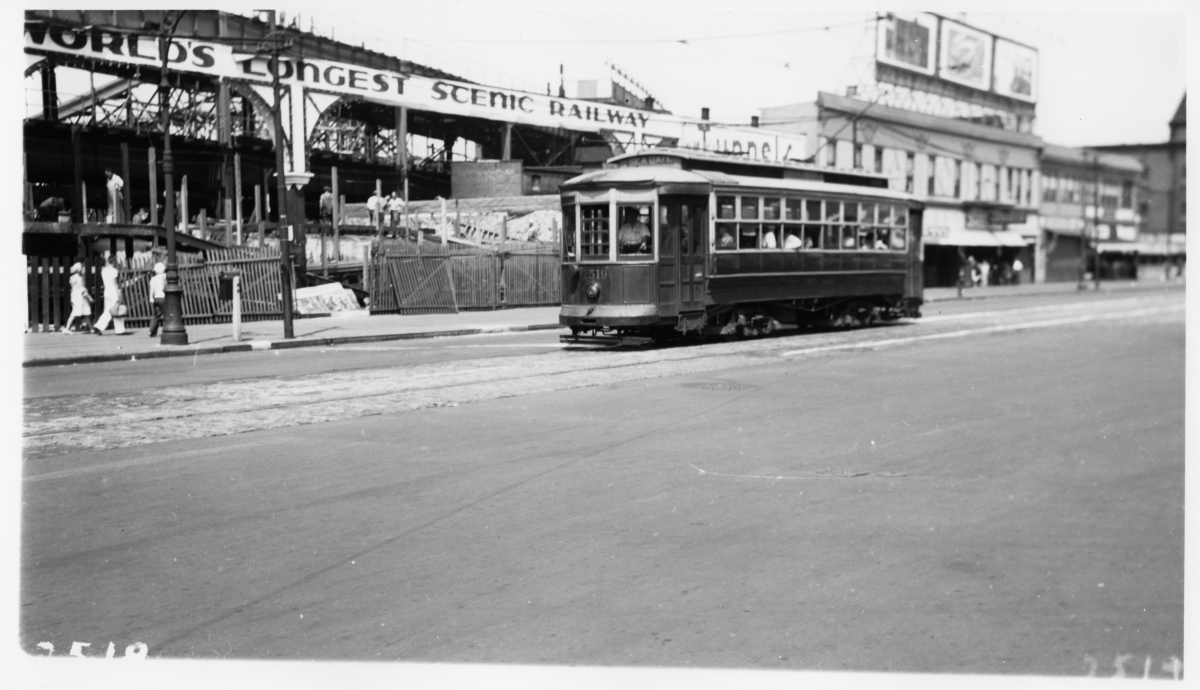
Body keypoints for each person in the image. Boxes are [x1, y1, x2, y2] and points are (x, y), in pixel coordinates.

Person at [91, 255, 128, 335]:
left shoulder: (104, 270)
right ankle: (119, 330)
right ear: (114, 261)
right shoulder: (114, 270)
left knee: (108, 310)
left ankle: (99, 326)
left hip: (106, 291)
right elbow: (115, 283)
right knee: (116, 310)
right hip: (113, 291)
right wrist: (118, 293)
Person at [63, 262, 93, 333]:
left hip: (74, 295)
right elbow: (81, 289)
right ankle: (67, 329)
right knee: (76, 312)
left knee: (83, 312)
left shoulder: (72, 278)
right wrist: (89, 297)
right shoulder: (79, 278)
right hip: (80, 297)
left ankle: (91, 328)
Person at [147, 262, 167, 337]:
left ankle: (152, 331)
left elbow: (152, 289)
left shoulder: (154, 278)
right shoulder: (166, 277)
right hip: (165, 297)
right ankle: (166, 329)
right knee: (167, 314)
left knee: (155, 315)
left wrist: (151, 297)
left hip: (157, 298)